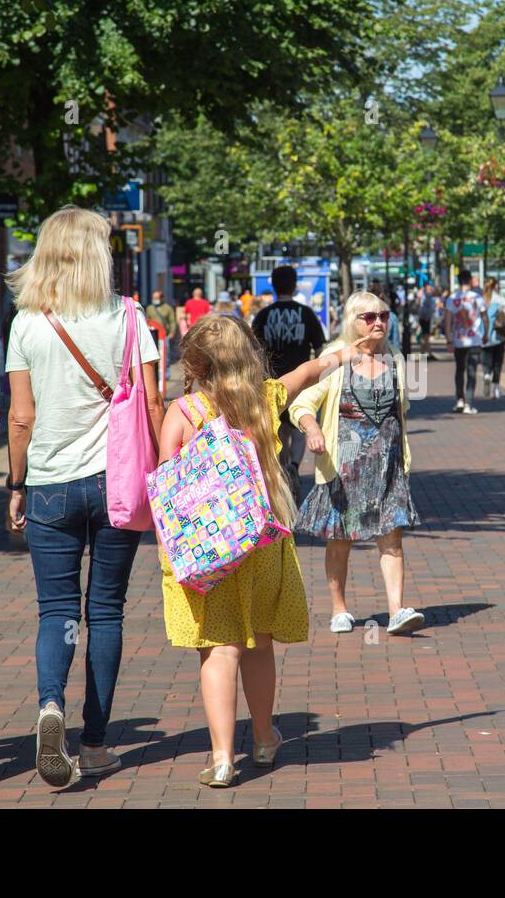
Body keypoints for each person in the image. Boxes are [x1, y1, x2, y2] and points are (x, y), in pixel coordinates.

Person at [158, 315, 376, 788]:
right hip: (258, 543)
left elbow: (167, 484)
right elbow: (311, 370)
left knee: (220, 649)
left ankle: (221, 757)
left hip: (208, 551)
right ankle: (262, 738)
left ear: (193, 362)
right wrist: (350, 351)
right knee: (257, 642)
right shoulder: (262, 401)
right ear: (248, 356)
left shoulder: (182, 412)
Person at [4, 206, 164, 789]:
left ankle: (51, 709)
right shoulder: (128, 317)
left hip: (50, 483)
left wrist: (16, 485)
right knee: (106, 612)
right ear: (99, 254)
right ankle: (95, 743)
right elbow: (151, 405)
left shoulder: (27, 322)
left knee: (57, 611)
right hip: (118, 482)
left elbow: (20, 418)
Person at [290, 292, 424, 637]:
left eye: (383, 315)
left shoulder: (395, 357)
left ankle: (397, 610)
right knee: (340, 539)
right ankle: (339, 609)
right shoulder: (335, 357)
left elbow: (400, 409)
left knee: (392, 538)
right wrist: (313, 428)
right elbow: (302, 403)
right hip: (343, 465)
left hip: (386, 467)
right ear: (353, 320)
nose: (378, 322)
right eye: (369, 317)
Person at [253, 265, 329, 503]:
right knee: (297, 427)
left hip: (271, 382)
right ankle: (294, 466)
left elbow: (253, 352)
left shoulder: (263, 316)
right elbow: (320, 348)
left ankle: (283, 467)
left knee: (277, 429)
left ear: (273, 286)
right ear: (294, 285)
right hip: (302, 382)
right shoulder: (306, 314)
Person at [444, 269, 489, 414]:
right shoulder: (477, 297)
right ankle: (469, 403)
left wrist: (449, 339)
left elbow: (447, 321)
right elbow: (485, 318)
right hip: (474, 339)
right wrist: (486, 334)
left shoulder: (452, 298)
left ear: (458, 281)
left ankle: (459, 401)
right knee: (471, 371)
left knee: (459, 370)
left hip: (458, 340)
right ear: (469, 280)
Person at [481, 277, 505, 399]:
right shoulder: (500, 300)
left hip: (483, 336)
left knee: (486, 359)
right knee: (497, 362)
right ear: (496, 286)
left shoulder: (480, 299)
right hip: (499, 336)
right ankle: (496, 388)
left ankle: (486, 374)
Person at [416, 284, 438, 360]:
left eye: (430, 289)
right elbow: (423, 308)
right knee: (426, 337)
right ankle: (426, 353)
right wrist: (426, 316)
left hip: (426, 318)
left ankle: (426, 353)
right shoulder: (426, 297)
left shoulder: (427, 297)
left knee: (425, 337)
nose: (429, 291)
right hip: (426, 319)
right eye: (428, 289)